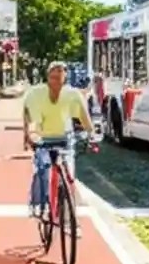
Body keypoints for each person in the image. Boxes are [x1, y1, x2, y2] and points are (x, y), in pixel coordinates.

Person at [23, 61, 96, 218]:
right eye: (53, 77)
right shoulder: (36, 94)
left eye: (60, 78)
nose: (56, 82)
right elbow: (30, 118)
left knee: (69, 173)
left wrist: (91, 134)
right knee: (43, 168)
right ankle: (38, 204)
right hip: (43, 137)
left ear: (65, 79)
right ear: (48, 78)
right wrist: (29, 136)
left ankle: (70, 218)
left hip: (65, 138)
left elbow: (84, 117)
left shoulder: (72, 95)